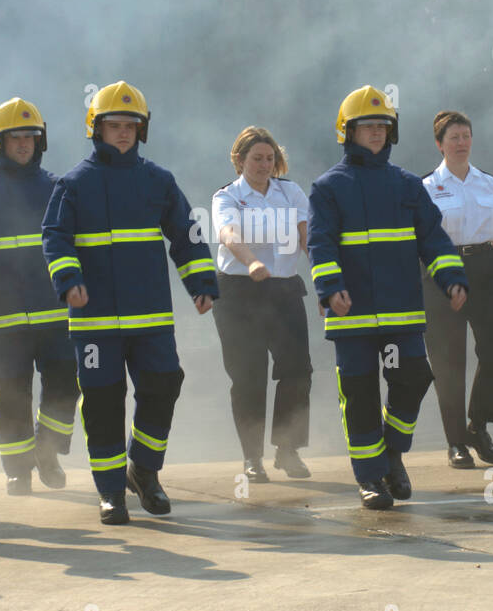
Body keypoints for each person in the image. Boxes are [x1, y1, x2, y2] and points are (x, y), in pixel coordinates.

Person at [42, 81, 218, 524]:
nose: (123, 133)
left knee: (163, 386)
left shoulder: (159, 181)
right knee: (103, 403)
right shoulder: (74, 184)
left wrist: (200, 282)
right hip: (94, 320)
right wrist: (69, 280)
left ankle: (144, 469)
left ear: (142, 130)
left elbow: (187, 234)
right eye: (114, 125)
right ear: (96, 129)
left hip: (151, 317)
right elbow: (55, 237)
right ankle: (110, 493)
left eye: (131, 125)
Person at [308, 86, 468, 509]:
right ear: (348, 131)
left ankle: (392, 452)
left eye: (383, 126)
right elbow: (320, 244)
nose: (377, 133)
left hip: (400, 314)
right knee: (359, 394)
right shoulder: (328, 188)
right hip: (352, 316)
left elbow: (433, 238)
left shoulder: (408, 185)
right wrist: (330, 288)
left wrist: (451, 277)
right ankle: (371, 479)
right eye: (367, 126)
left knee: (413, 377)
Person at [0, 98, 76, 494]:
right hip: (4, 319)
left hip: (55, 314)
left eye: (30, 137)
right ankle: (18, 470)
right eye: (16, 138)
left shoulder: (57, 188)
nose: (24, 144)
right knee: (10, 396)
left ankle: (48, 450)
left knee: (66, 385)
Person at [210, 126, 313, 482]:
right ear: (240, 160)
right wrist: (250, 260)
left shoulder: (292, 192)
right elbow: (228, 234)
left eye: (270, 158)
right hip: (239, 291)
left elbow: (306, 238)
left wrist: (329, 280)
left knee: (298, 369)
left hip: (284, 290)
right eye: (257, 159)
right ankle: (251, 458)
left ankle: (288, 449)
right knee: (249, 376)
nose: (264, 165)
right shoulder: (226, 196)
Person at [420, 111, 493, 470]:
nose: (461, 143)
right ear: (440, 144)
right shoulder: (426, 188)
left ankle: (479, 424)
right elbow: (423, 241)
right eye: (453, 137)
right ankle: (456, 442)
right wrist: (443, 278)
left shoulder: (488, 183)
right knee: (449, 360)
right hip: (444, 271)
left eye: (466, 136)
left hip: (487, 269)